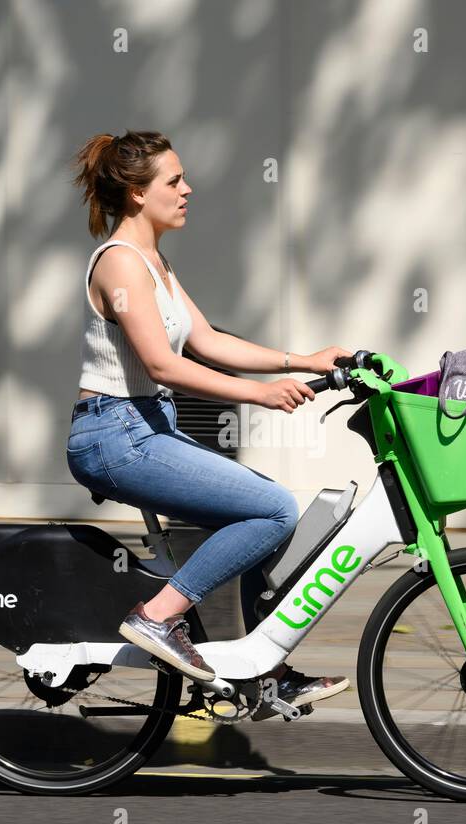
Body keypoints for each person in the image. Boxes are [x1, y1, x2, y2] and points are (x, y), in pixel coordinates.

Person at [67, 130, 349, 719]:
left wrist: (305, 359)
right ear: (139, 194)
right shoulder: (119, 263)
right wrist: (262, 395)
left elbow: (209, 342)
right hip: (115, 435)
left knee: (263, 516)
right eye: (174, 180)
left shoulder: (154, 262)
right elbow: (164, 364)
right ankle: (156, 617)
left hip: (145, 427)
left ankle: (260, 673)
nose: (187, 189)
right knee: (273, 509)